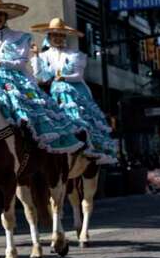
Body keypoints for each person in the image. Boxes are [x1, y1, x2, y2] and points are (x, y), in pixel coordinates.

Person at [0, 0, 83, 154]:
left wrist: (1, 63)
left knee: (27, 111)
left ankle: (30, 146)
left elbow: (20, 63)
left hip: (13, 80)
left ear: (5, 17)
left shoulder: (19, 36)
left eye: (0, 14)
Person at [30, 17, 116, 163]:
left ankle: (88, 147)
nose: (57, 38)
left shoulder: (75, 54)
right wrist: (36, 56)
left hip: (74, 91)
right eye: (54, 35)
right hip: (53, 91)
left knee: (79, 118)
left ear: (64, 37)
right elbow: (41, 77)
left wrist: (63, 78)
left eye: (60, 35)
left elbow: (78, 75)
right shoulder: (44, 55)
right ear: (49, 37)